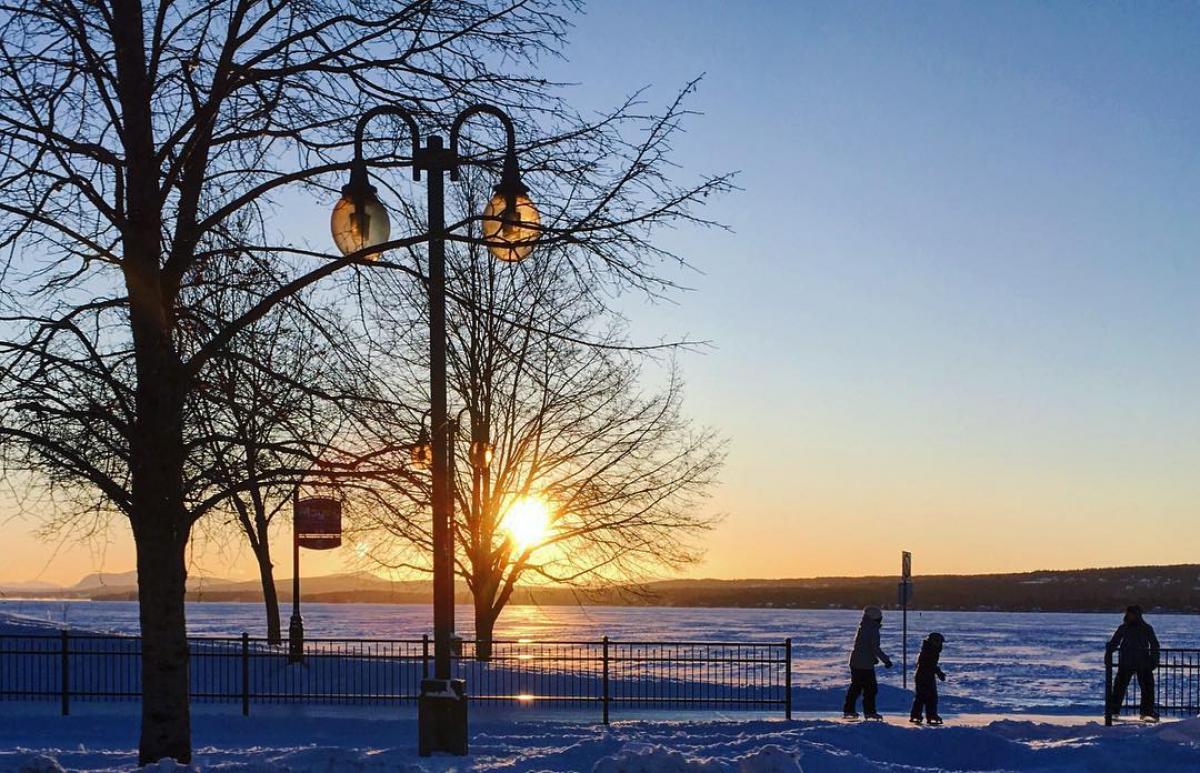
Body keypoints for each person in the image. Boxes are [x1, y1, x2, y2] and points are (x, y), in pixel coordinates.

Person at [1106, 604, 1160, 721]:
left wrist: (1153, 660)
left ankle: (1147, 712)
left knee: (1147, 689)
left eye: (1132, 614)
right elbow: (1114, 642)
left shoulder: (1146, 628)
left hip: (1142, 662)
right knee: (1119, 687)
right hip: (1127, 661)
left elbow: (1155, 645)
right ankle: (1113, 711)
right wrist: (1108, 654)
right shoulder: (1125, 627)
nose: (1130, 616)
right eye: (1129, 614)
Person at [842, 605, 893, 719]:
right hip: (863, 664)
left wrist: (873, 659)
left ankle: (849, 710)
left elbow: (864, 647)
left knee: (856, 687)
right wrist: (886, 660)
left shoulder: (864, 626)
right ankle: (869, 712)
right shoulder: (872, 629)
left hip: (856, 661)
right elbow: (874, 648)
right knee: (870, 688)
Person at [909, 632, 947, 725]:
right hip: (925, 676)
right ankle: (931, 715)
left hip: (923, 675)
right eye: (939, 642)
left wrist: (938, 672)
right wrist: (939, 673)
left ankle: (916, 715)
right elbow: (930, 664)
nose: (940, 645)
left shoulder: (928, 650)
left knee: (921, 696)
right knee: (931, 697)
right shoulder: (930, 651)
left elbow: (931, 664)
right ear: (934, 641)